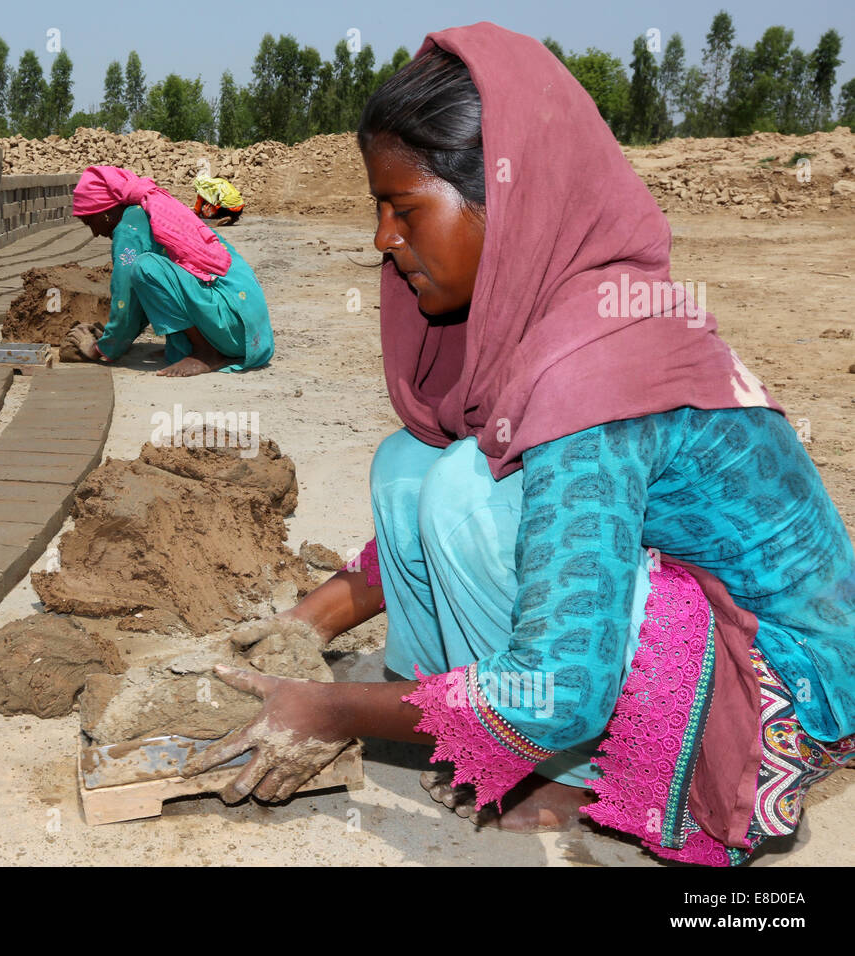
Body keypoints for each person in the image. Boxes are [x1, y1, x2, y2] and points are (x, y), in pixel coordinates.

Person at [179, 22, 855, 866]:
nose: (383, 241)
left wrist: (321, 710)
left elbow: (559, 683)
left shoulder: (596, 362)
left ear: (512, 203)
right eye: (378, 209)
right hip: (695, 605)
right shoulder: (548, 310)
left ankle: (563, 768)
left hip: (778, 687)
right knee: (410, 468)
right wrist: (307, 621)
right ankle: (459, 714)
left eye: (406, 209)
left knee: (465, 490)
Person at [66, 165, 273, 378]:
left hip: (232, 327)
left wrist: (100, 348)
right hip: (249, 328)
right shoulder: (148, 210)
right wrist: (115, 338)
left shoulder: (129, 229)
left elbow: (126, 295)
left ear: (106, 212)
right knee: (149, 272)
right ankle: (194, 346)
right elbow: (145, 296)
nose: (95, 232)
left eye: (90, 221)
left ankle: (207, 353)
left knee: (144, 267)